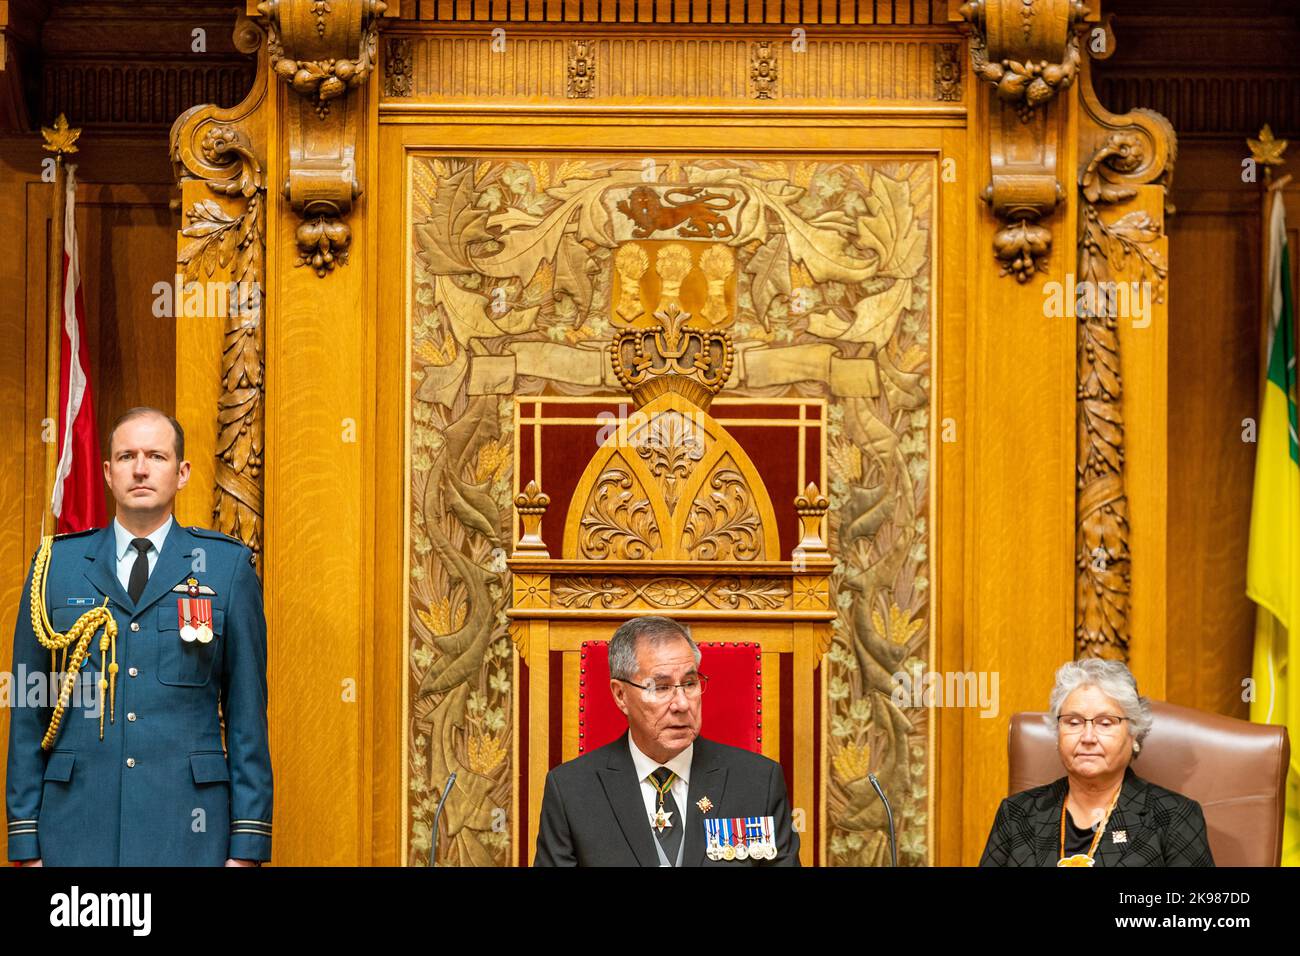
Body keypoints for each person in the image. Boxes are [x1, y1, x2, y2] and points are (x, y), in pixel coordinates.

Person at [5, 407, 272, 866]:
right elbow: (30, 711)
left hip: (189, 834)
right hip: (75, 829)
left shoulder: (225, 569)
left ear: (182, 472)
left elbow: (248, 718)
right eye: (127, 456)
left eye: (157, 456)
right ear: (108, 473)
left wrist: (246, 848)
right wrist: (25, 841)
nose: (142, 468)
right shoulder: (55, 568)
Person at [534, 615, 799, 866]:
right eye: (660, 688)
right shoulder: (571, 791)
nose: (682, 704)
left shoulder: (758, 782)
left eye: (690, 683)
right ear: (620, 695)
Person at [980, 658, 1214, 867]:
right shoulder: (1016, 814)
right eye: (1073, 722)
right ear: (1057, 733)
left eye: (1105, 723)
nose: (1088, 737)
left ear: (1133, 734)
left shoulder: (1173, 816)